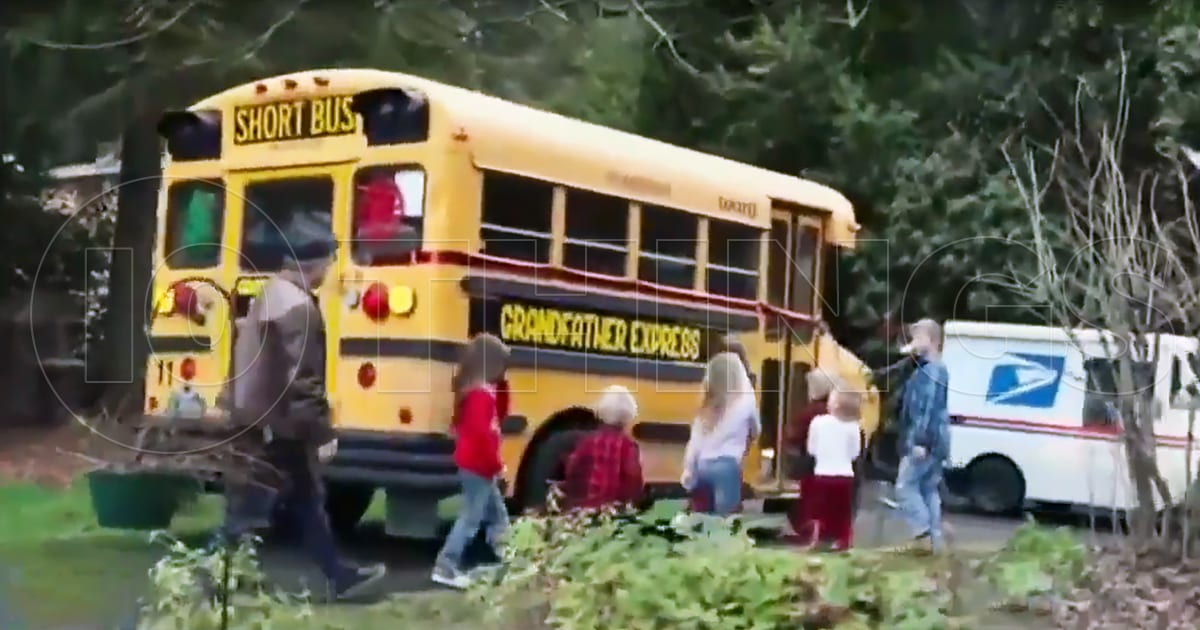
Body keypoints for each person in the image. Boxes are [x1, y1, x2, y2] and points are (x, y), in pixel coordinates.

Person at [220, 232, 386, 601]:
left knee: (295, 501)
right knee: (254, 507)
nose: (330, 269)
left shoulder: (270, 294)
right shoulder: (299, 309)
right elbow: (303, 379)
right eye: (328, 261)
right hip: (279, 423)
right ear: (315, 264)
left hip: (255, 416)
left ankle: (338, 576)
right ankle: (209, 579)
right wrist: (323, 432)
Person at [431, 333, 512, 589]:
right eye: (501, 367)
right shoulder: (480, 397)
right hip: (479, 466)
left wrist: (503, 386)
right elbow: (484, 436)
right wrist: (497, 466)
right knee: (471, 518)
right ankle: (446, 565)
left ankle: (511, 561)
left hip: (475, 465)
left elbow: (502, 413)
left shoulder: (475, 392)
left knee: (497, 517)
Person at [893, 318, 951, 552]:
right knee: (928, 489)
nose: (914, 343)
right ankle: (935, 544)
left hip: (925, 440)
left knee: (905, 486)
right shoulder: (934, 368)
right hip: (939, 440)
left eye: (918, 337)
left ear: (932, 339)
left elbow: (926, 407)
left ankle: (922, 534)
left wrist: (919, 441)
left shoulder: (930, 371)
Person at [681, 352, 759, 516]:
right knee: (725, 521)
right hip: (727, 466)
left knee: (702, 518)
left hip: (702, 466)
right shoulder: (745, 400)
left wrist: (689, 470)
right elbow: (756, 429)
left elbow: (695, 442)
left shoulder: (706, 405)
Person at [561, 385, 644, 511]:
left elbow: (571, 471)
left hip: (581, 510)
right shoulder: (628, 446)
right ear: (629, 415)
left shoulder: (587, 441)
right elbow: (633, 483)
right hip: (609, 513)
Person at [802, 386, 864, 550]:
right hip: (845, 476)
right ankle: (842, 541)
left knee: (820, 511)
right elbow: (855, 453)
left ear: (836, 404)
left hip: (822, 474)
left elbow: (811, 449)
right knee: (842, 513)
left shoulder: (818, 422)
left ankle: (818, 539)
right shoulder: (854, 426)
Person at [784, 369, 838, 538]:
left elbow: (795, 437)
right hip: (837, 464)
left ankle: (808, 534)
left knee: (810, 503)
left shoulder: (810, 413)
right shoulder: (839, 410)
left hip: (812, 464)